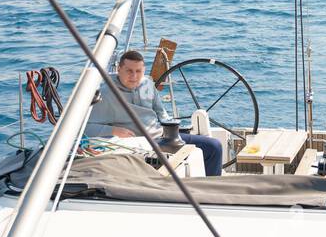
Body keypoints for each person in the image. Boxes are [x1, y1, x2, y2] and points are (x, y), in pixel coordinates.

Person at [84, 50, 225, 176]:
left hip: (163, 138)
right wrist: (113, 130)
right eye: (129, 71)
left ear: (144, 71)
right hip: (139, 146)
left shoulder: (147, 84)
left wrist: (173, 128)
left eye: (138, 71)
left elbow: (161, 114)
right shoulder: (105, 93)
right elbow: (85, 128)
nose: (134, 76)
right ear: (119, 69)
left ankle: (209, 190)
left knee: (214, 147)